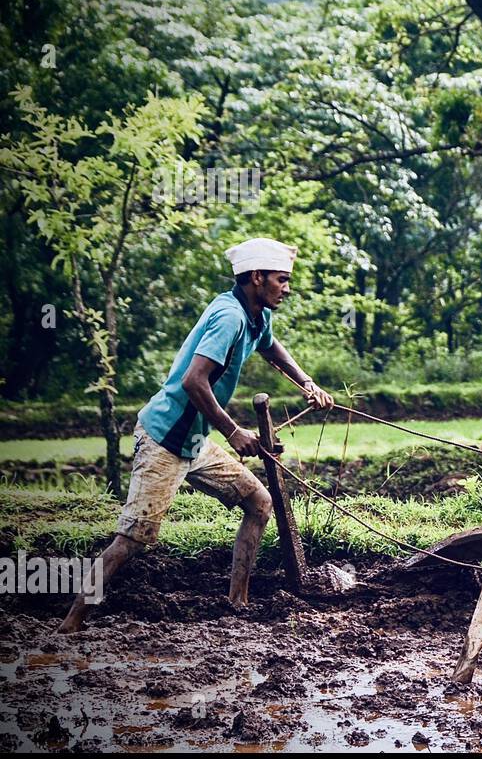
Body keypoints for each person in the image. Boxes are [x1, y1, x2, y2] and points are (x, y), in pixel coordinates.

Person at [58, 238, 334, 632]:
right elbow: (193, 381)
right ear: (257, 278)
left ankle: (237, 602)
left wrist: (307, 383)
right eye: (281, 280)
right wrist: (234, 431)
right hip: (165, 439)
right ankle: (72, 620)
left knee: (259, 502)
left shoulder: (256, 316)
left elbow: (272, 348)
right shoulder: (229, 317)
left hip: (194, 441)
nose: (286, 288)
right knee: (132, 539)